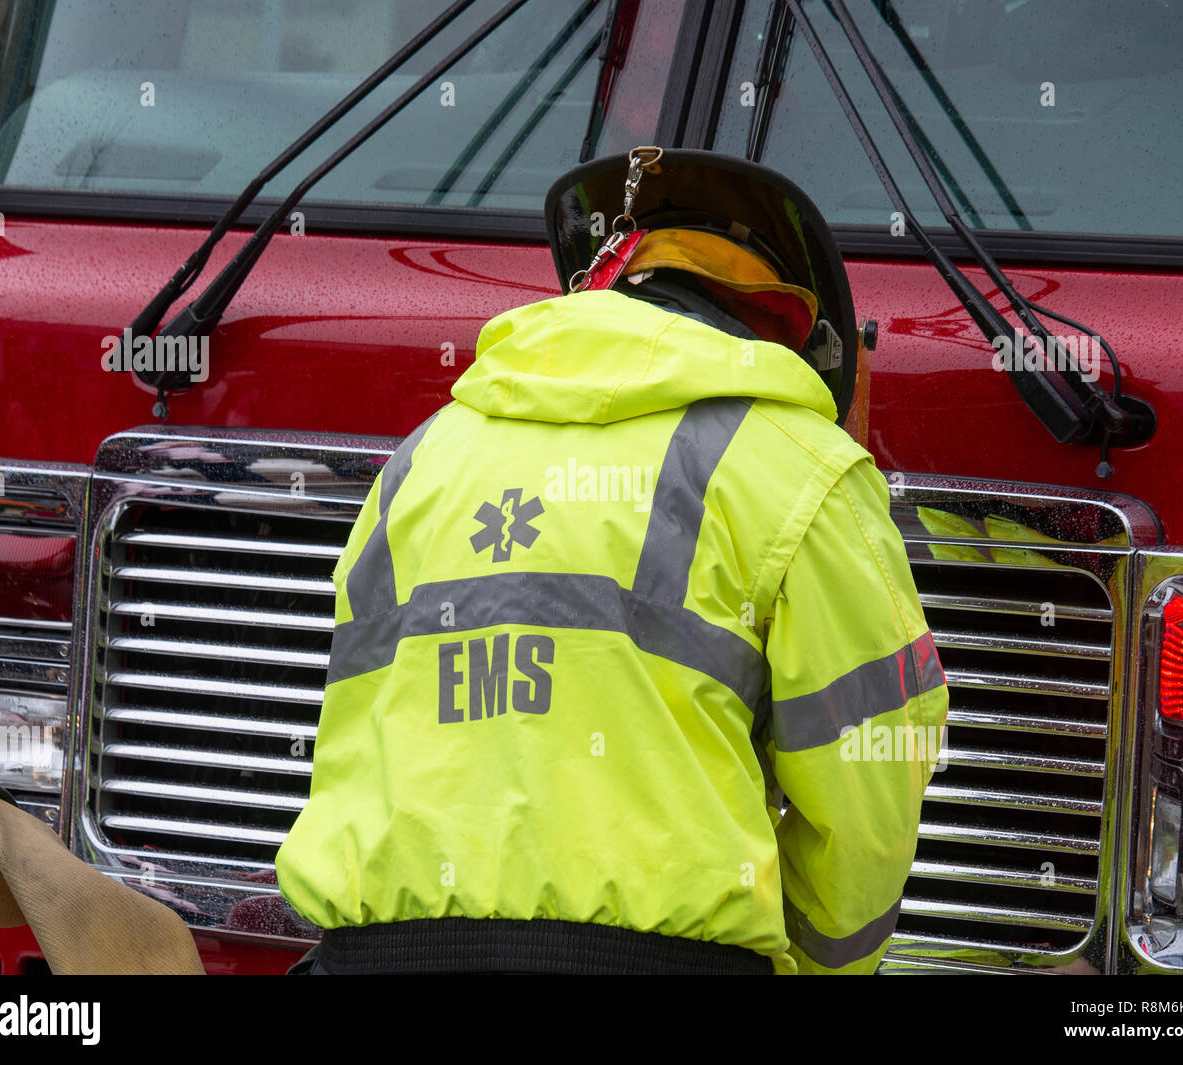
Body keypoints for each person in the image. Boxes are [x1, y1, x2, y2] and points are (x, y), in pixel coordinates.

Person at [274, 147, 949, 975]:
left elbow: (357, 745)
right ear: (781, 327)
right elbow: (867, 784)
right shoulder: (804, 466)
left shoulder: (420, 460)